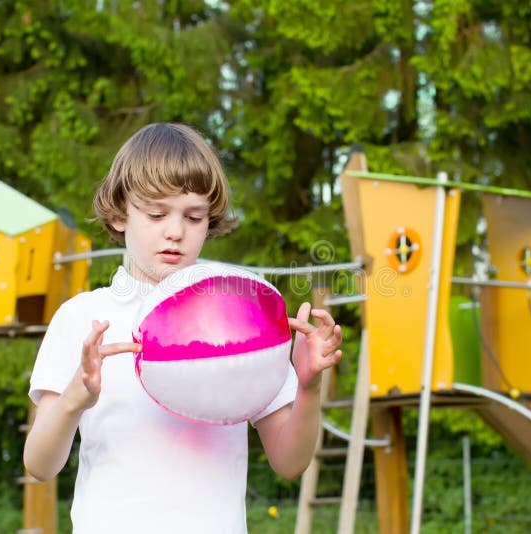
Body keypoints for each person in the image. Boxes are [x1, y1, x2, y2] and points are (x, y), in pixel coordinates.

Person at [23, 122, 343, 533]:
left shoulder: (242, 315)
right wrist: (74, 400)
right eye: (156, 213)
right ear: (120, 213)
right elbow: (39, 465)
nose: (175, 232)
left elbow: (289, 462)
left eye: (194, 217)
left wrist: (308, 387)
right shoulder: (81, 318)